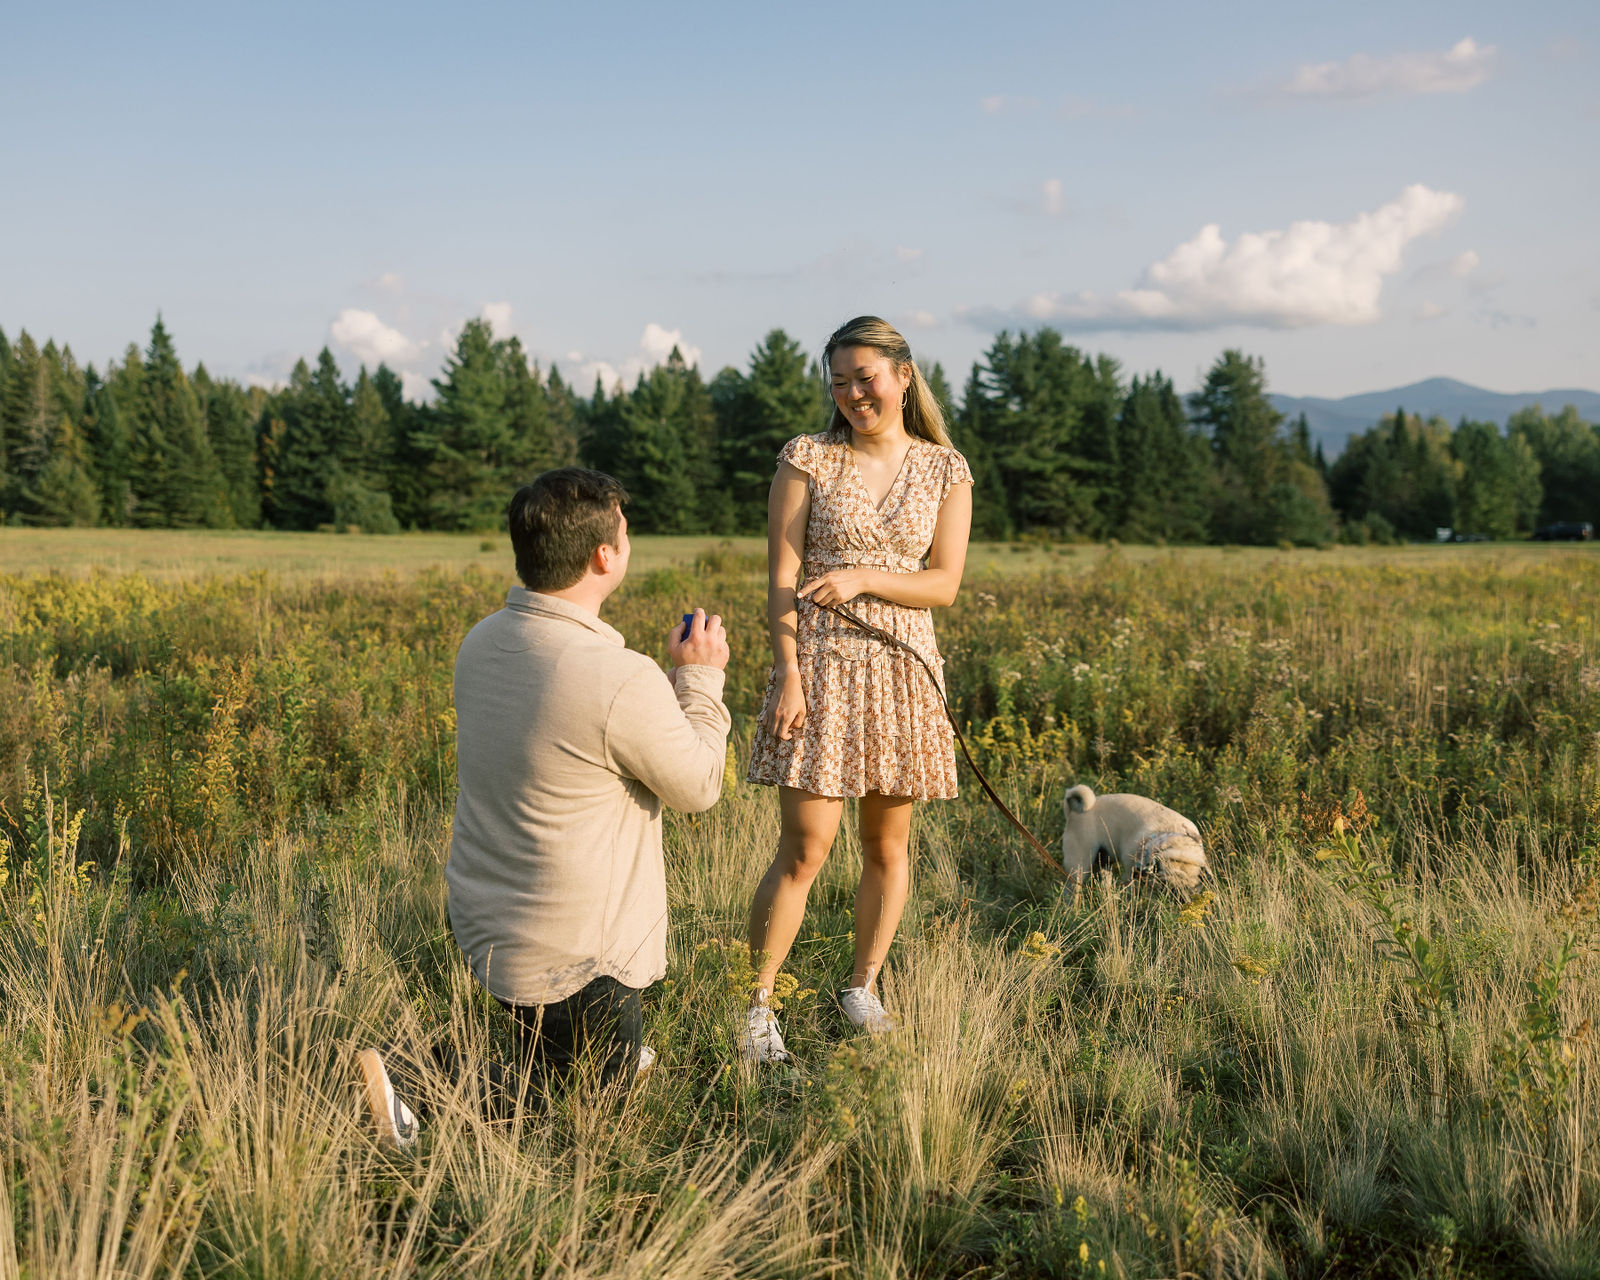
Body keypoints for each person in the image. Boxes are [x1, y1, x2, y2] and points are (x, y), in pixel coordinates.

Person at [357, 467, 732, 1145]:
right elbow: (699, 787)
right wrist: (699, 679)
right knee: (586, 1106)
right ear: (604, 555)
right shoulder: (617, 677)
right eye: (625, 528)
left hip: (489, 919)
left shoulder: (482, 642)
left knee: (576, 1054)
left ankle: (577, 1055)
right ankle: (412, 1075)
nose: (627, 538)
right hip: (578, 949)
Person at [741, 316, 973, 1064]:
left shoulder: (946, 469)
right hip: (820, 671)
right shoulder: (806, 459)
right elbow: (781, 580)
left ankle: (861, 988)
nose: (849, 394)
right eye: (837, 382)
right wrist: (788, 675)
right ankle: (757, 1007)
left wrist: (865, 577)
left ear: (903, 376)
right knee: (806, 848)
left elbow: (944, 584)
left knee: (888, 845)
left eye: (863, 377)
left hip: (906, 672)